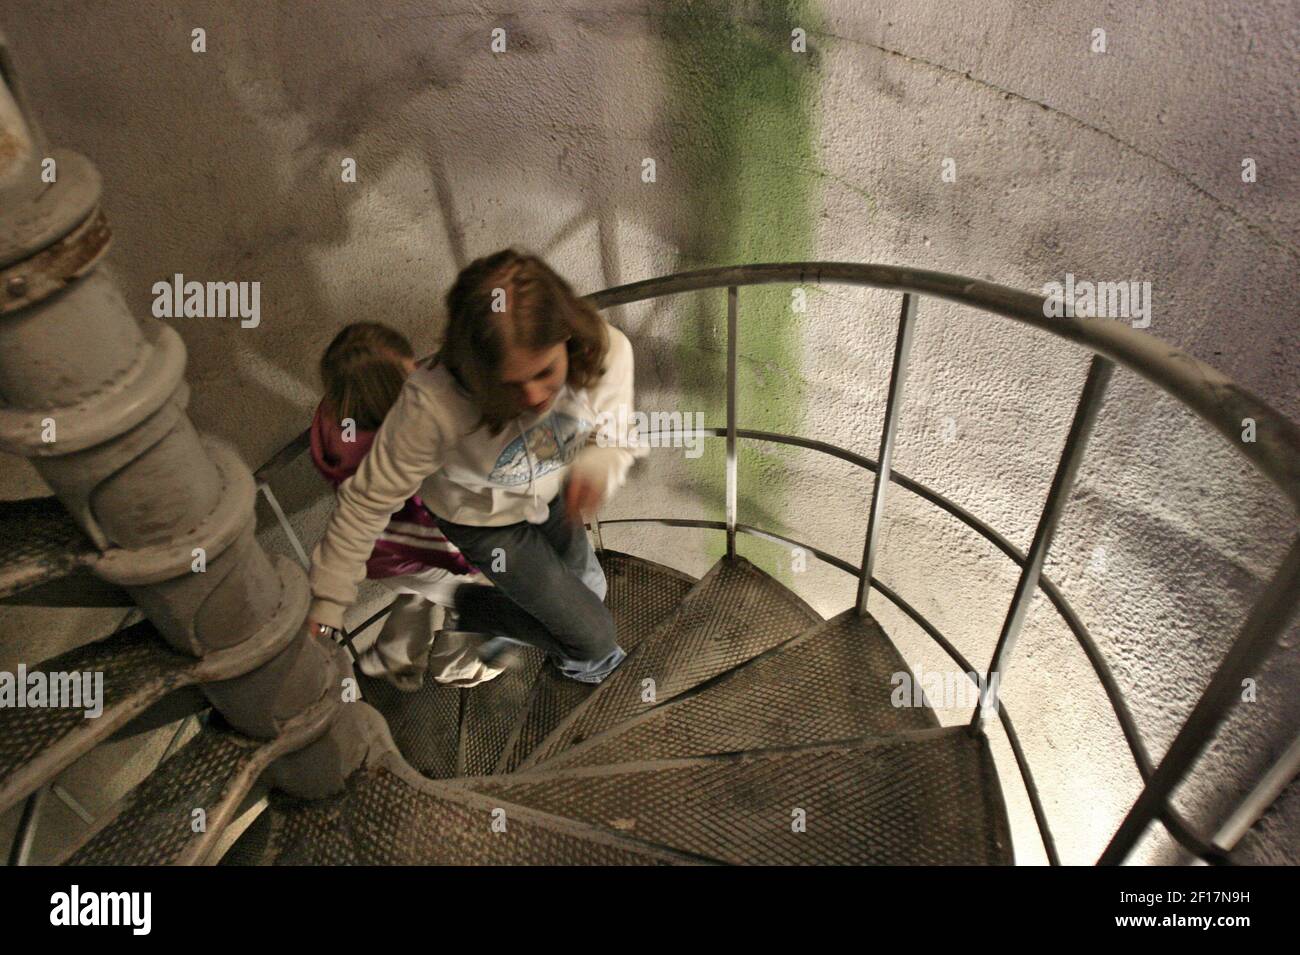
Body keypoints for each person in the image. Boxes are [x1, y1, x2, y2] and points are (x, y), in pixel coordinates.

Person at [306, 249, 646, 684]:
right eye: (507, 385)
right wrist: (326, 605)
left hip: (554, 490)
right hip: (483, 523)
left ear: (566, 337)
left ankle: (490, 617)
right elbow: (365, 504)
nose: (533, 397)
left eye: (545, 371)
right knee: (593, 637)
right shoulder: (430, 407)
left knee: (591, 589)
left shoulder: (604, 352)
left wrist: (597, 466)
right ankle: (479, 610)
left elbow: (613, 433)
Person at [310, 321, 503, 692]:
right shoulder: (401, 450)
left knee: (417, 590)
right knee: (474, 598)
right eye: (407, 367)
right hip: (419, 552)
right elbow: (429, 524)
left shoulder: (334, 416)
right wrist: (474, 567)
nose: (416, 368)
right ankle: (458, 668)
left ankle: (396, 654)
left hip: (383, 557)